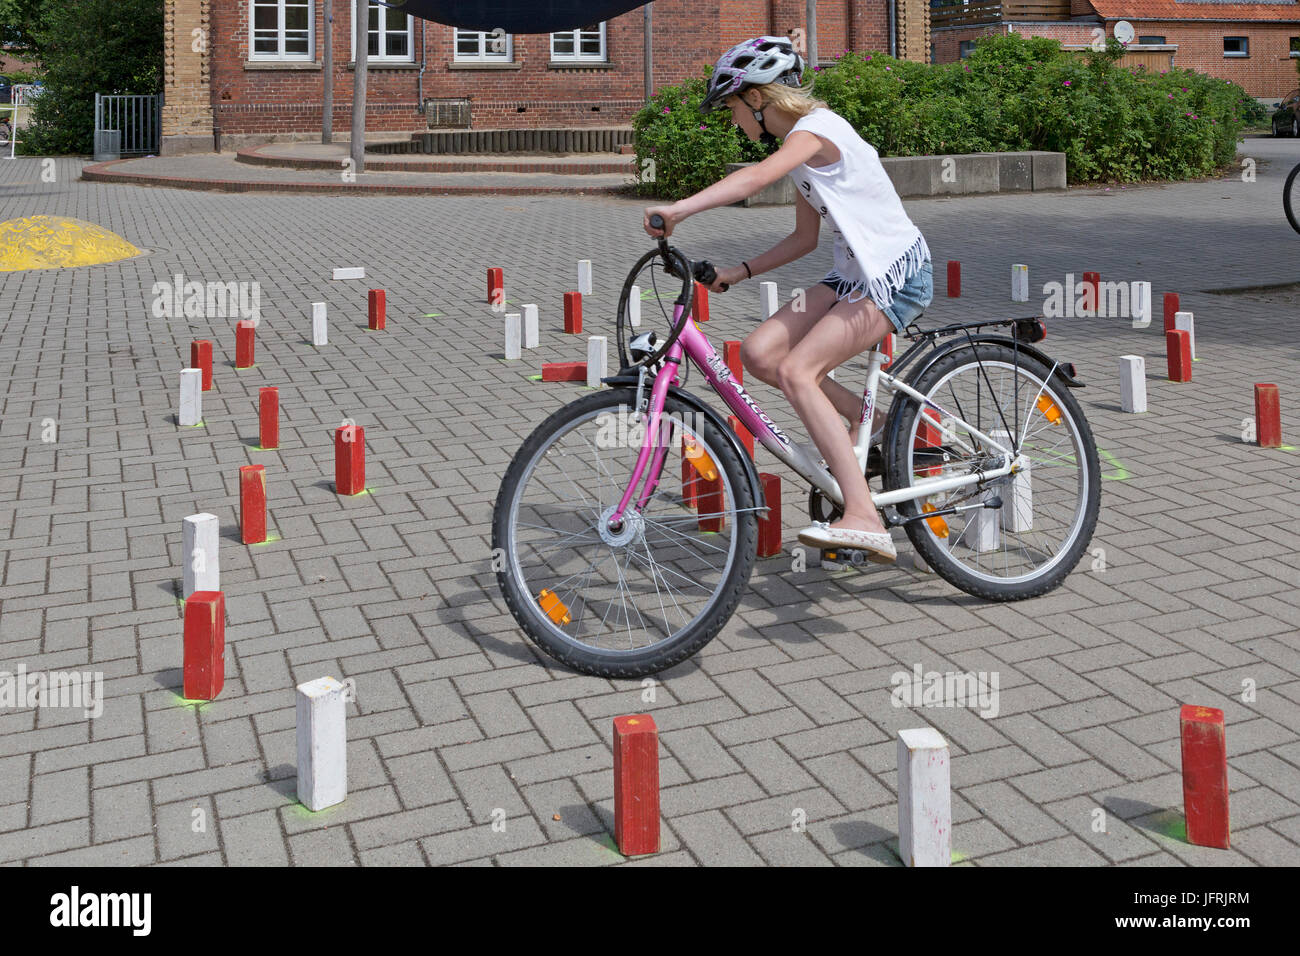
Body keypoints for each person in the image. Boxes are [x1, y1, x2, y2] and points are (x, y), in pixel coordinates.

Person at [643, 35, 933, 564]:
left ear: (757, 98)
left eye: (731, 107)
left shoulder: (814, 131)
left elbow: (755, 178)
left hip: (896, 274)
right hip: (851, 277)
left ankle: (865, 518)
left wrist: (681, 209)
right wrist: (737, 271)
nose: (733, 121)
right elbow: (805, 239)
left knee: (799, 372)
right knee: (759, 354)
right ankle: (885, 422)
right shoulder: (802, 157)